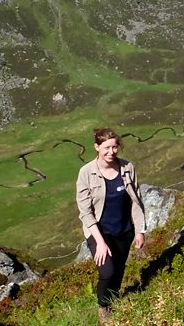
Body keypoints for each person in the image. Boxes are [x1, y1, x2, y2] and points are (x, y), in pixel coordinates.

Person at [76, 128, 146, 319]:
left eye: (115, 147)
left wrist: (140, 230)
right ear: (96, 147)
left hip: (124, 230)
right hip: (99, 231)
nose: (111, 152)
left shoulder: (127, 168)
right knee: (107, 271)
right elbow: (85, 211)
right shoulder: (86, 173)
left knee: (119, 270)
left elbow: (136, 200)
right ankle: (103, 306)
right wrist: (99, 242)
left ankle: (114, 299)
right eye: (106, 147)